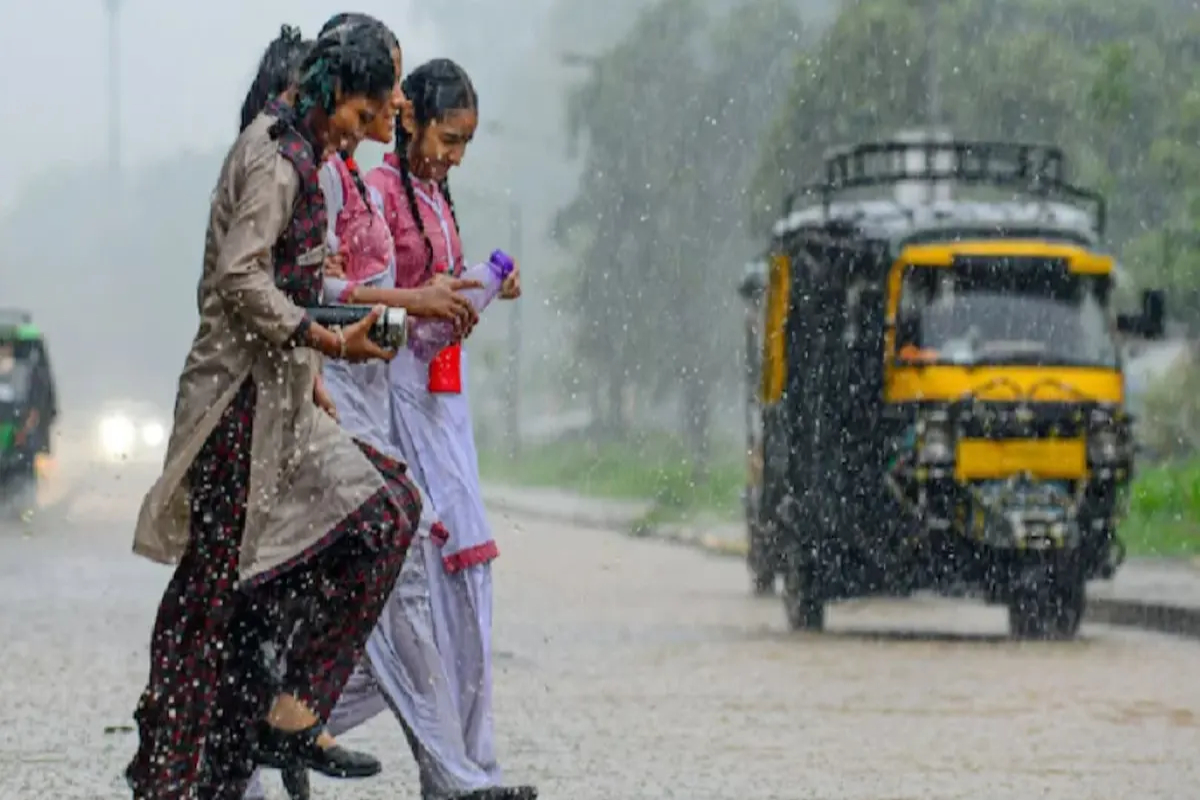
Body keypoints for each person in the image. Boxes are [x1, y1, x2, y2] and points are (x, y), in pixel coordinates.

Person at [125, 23, 420, 800]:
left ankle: (287, 716)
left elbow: (281, 281)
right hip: (234, 407)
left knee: (385, 514)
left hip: (286, 401)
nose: (365, 134)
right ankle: (174, 775)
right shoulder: (273, 156)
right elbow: (239, 281)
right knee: (213, 598)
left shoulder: (305, 152)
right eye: (362, 116)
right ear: (330, 93)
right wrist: (323, 336)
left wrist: (318, 358)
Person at [361, 57, 532, 800]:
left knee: (470, 584)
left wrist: (477, 289)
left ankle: (471, 766)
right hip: (392, 404)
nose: (456, 155)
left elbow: (436, 304)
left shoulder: (433, 196)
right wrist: (425, 303)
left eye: (466, 143)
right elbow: (363, 307)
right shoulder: (375, 194)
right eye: (449, 138)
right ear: (408, 121)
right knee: (410, 599)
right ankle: (449, 769)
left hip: (444, 406)